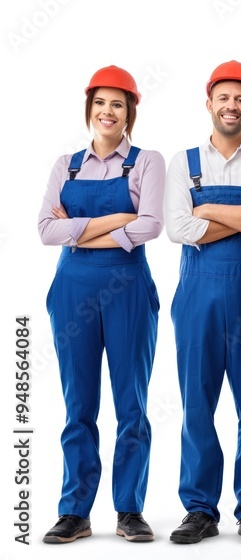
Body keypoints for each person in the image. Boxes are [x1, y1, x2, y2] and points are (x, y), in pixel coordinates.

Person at [38, 65, 164, 545]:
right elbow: (45, 232)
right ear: (89, 109)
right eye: (100, 103)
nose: (107, 112)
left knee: (131, 403)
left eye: (117, 103)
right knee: (78, 404)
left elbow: (150, 225)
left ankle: (129, 509)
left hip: (128, 289)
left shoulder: (147, 161)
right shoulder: (65, 165)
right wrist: (115, 220)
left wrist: (79, 228)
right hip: (72, 290)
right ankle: (75, 510)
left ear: (130, 111)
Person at [163, 60, 241, 545]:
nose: (231, 106)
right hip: (197, 300)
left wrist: (208, 209)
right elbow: (178, 229)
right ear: (209, 102)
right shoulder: (183, 162)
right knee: (197, 404)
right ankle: (199, 508)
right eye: (224, 97)